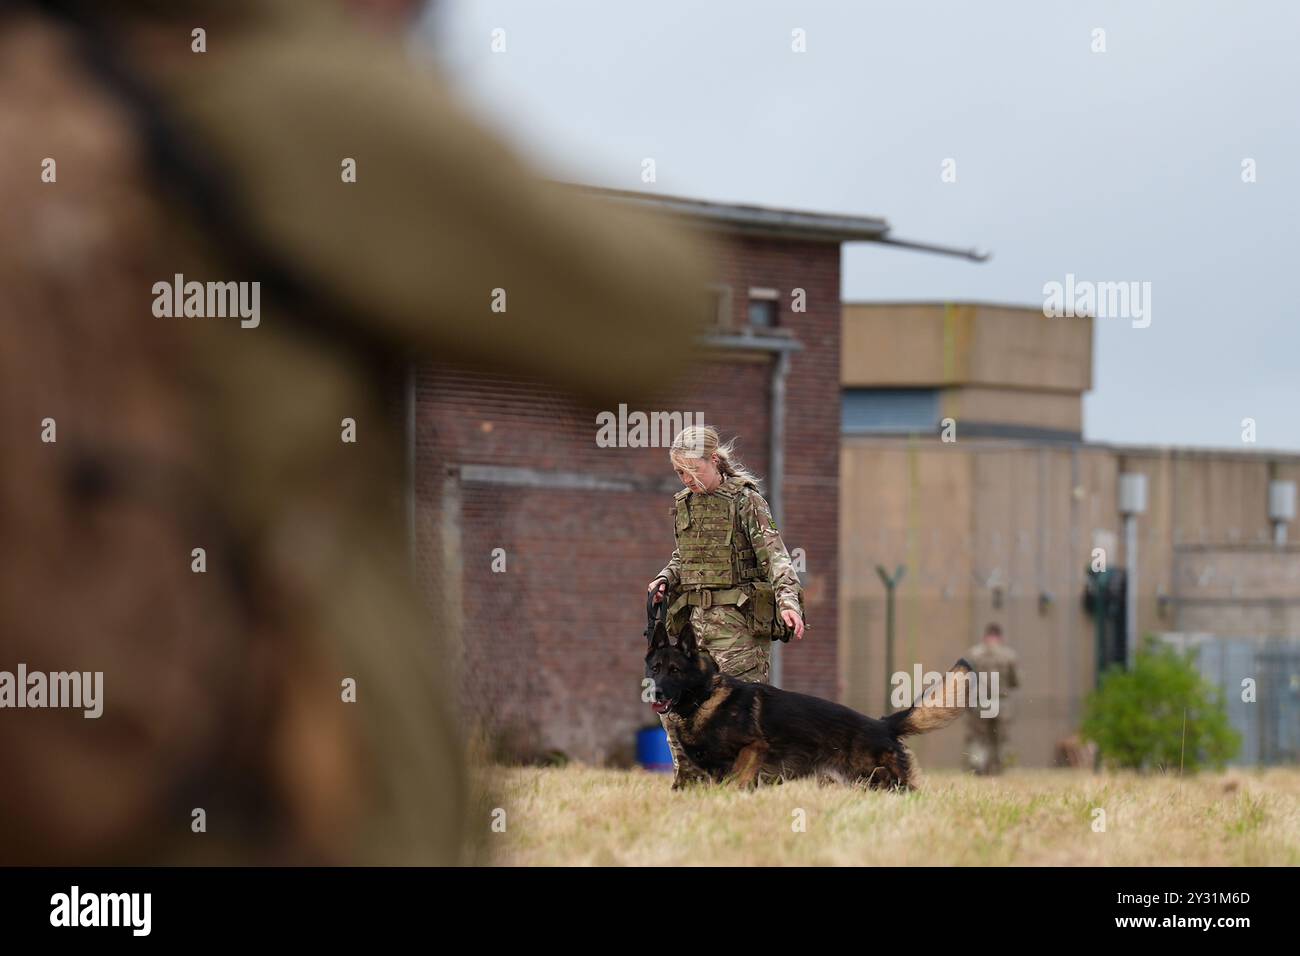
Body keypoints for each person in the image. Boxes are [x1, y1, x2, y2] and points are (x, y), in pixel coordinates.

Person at [646, 425, 804, 786]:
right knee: (675, 704)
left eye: (693, 469)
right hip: (693, 626)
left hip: (738, 627)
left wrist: (788, 602)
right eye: (680, 472)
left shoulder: (746, 500)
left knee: (738, 713)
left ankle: (749, 787)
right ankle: (689, 783)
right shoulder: (685, 504)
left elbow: (775, 557)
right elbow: (684, 557)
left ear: (713, 460)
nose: (687, 479)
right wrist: (666, 577)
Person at [964, 623, 1020, 775]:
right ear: (1000, 637)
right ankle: (1001, 767)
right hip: (1001, 702)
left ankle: (978, 765)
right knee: (1002, 738)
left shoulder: (973, 654)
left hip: (980, 702)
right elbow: (1015, 682)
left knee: (978, 737)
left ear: (985, 636)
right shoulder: (1009, 655)